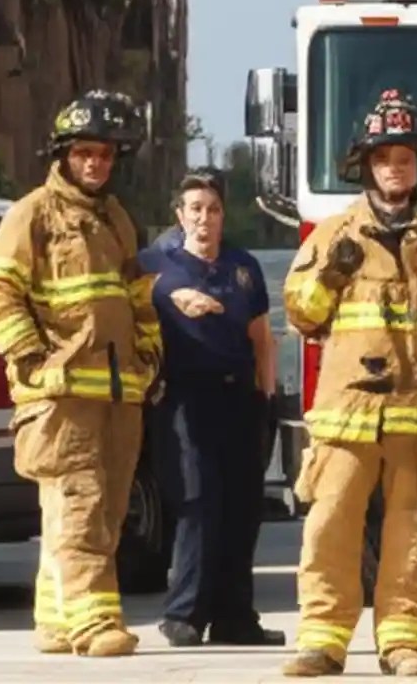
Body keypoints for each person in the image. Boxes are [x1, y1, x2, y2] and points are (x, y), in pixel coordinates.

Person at [280, 89, 417, 678]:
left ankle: (404, 645)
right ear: (366, 166)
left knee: (414, 535)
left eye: (403, 158)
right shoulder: (333, 234)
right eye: (382, 158)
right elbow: (302, 315)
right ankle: (322, 642)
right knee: (331, 527)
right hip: (348, 414)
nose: (393, 168)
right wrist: (331, 272)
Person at [0, 90, 159, 657]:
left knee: (103, 510)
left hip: (117, 390)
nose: (96, 163)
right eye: (85, 153)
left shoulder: (116, 219)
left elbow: (135, 295)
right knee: (78, 503)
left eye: (104, 154)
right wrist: (28, 355)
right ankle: (93, 623)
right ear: (62, 154)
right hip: (59, 392)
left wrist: (149, 354)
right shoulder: (32, 214)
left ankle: (55, 618)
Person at [137, 169, 285, 648]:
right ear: (180, 216)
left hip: (240, 396)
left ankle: (235, 617)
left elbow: (262, 338)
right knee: (197, 502)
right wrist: (171, 293)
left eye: (213, 209)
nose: (205, 218)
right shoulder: (159, 262)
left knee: (242, 508)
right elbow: (127, 287)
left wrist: (267, 399)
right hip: (185, 398)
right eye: (195, 209)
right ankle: (183, 615)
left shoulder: (243, 267)